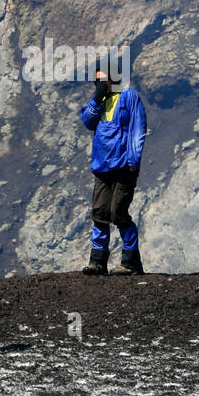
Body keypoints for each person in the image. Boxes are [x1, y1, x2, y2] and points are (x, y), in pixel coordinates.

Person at [79, 57, 147, 275]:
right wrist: (97, 97)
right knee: (99, 212)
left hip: (124, 167)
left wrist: (133, 162)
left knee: (118, 212)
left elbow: (138, 129)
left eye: (103, 80)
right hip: (102, 166)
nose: (100, 84)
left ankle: (130, 262)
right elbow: (88, 122)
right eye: (96, 81)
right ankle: (97, 262)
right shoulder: (98, 103)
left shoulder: (129, 97)